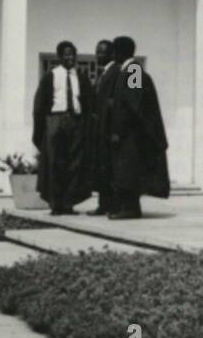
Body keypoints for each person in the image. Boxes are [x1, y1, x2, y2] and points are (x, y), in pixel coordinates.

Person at [103, 36, 171, 219]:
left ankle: (131, 208)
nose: (112, 55)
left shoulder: (133, 70)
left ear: (120, 52)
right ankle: (125, 206)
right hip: (126, 133)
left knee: (129, 171)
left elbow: (134, 104)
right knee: (123, 171)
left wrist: (120, 130)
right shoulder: (126, 71)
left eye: (114, 51)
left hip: (131, 134)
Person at [31, 41, 95, 215]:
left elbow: (89, 103)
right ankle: (56, 204)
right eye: (66, 55)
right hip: (56, 120)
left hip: (76, 121)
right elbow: (39, 105)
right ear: (59, 57)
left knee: (74, 163)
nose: (70, 58)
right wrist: (39, 133)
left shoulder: (81, 76)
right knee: (55, 163)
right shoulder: (50, 76)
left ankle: (69, 204)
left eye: (73, 54)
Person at [90, 38, 117, 215]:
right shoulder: (103, 73)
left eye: (103, 52)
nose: (99, 55)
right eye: (97, 51)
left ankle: (115, 205)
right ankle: (103, 204)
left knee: (110, 169)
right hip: (100, 128)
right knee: (102, 168)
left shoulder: (131, 69)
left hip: (111, 129)